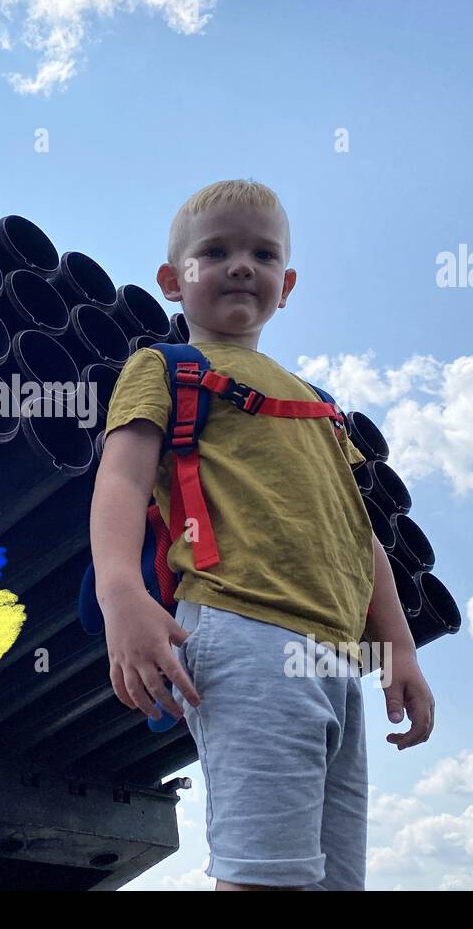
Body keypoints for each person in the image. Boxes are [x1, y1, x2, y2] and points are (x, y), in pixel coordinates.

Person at [88, 180, 435, 890]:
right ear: (171, 280)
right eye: (215, 251)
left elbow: (356, 529)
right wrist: (121, 593)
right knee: (265, 875)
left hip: (336, 660)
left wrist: (397, 643)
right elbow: (121, 480)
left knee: (332, 883)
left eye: (262, 253)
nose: (242, 265)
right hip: (242, 628)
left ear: (288, 283)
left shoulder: (320, 405)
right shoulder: (167, 367)